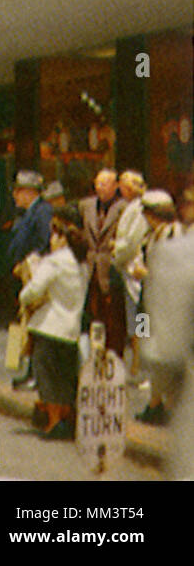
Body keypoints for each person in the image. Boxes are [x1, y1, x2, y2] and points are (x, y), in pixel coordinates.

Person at [19, 211, 89, 439]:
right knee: (66, 378)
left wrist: (24, 295)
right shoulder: (83, 264)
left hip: (49, 327)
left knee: (47, 376)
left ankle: (54, 422)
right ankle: (68, 422)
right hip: (71, 329)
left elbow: (33, 291)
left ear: (61, 238)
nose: (50, 240)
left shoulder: (54, 262)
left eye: (53, 236)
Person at [134, 190, 183, 424]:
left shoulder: (173, 236)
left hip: (162, 302)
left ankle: (158, 404)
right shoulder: (152, 235)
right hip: (147, 299)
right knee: (142, 336)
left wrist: (146, 273)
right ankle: (153, 398)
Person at [8, 170, 52, 388]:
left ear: (29, 192)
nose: (15, 195)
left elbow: (44, 244)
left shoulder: (42, 212)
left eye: (18, 191)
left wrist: (28, 264)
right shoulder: (26, 212)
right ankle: (27, 369)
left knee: (35, 325)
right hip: (25, 276)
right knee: (27, 324)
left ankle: (36, 374)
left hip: (35, 275)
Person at [80, 168, 126, 356]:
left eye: (104, 183)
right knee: (93, 317)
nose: (99, 187)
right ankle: (95, 357)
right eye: (97, 183)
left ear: (116, 186)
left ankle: (117, 358)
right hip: (91, 270)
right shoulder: (86, 205)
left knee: (116, 319)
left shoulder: (124, 207)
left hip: (113, 269)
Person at [109, 170, 148, 375]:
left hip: (135, 269)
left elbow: (132, 241)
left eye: (123, 184)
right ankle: (136, 364)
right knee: (134, 319)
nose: (121, 188)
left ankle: (139, 365)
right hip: (129, 268)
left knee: (140, 319)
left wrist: (116, 251)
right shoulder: (132, 207)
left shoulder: (139, 208)